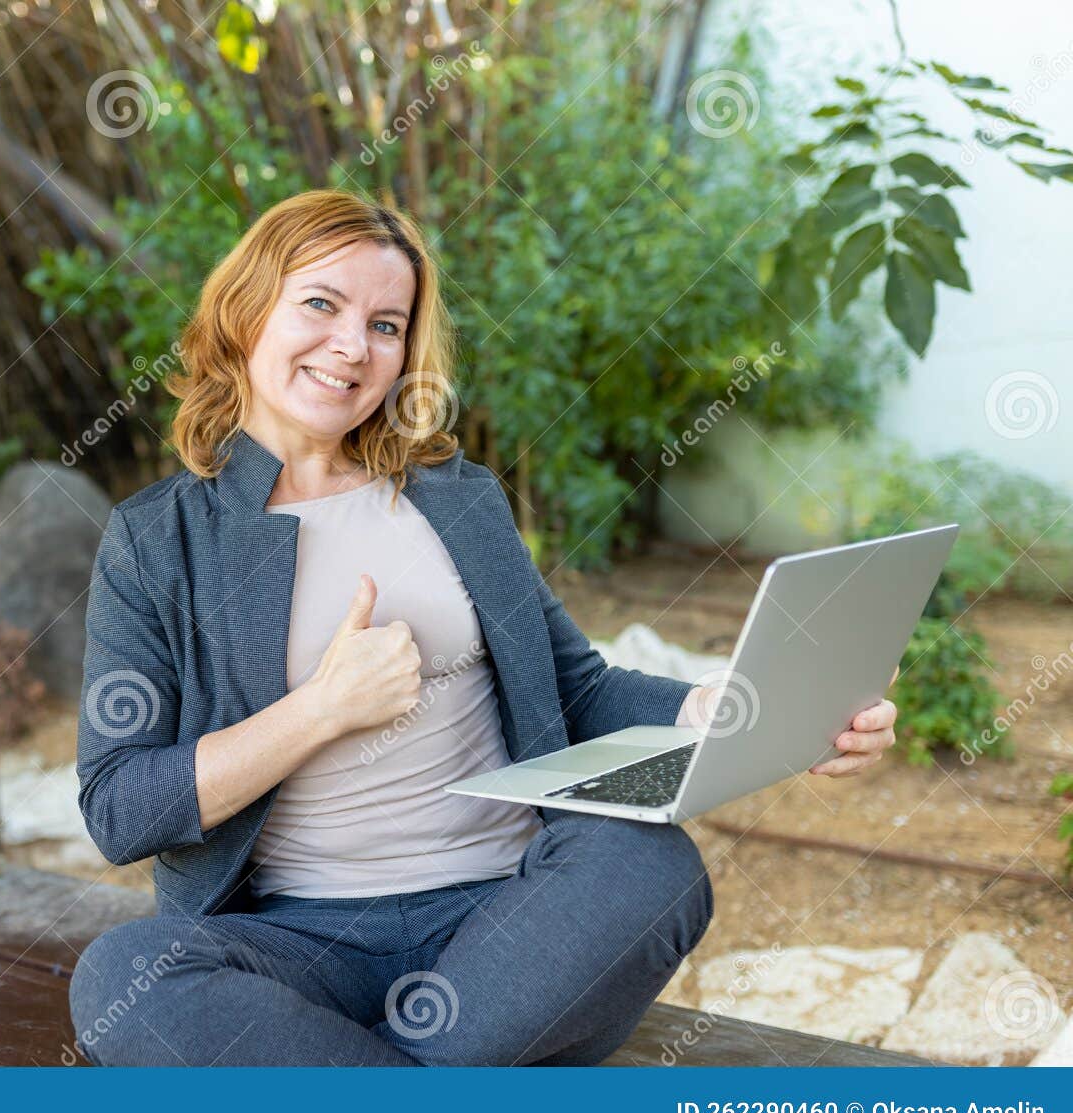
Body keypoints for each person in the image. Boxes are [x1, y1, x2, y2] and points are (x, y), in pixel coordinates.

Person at [67, 188, 897, 1066]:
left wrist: (717, 710)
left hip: (508, 924)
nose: (352, 347)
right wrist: (321, 709)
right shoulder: (158, 539)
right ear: (245, 312)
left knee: (649, 864)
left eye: (387, 325)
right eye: (320, 304)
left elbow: (575, 687)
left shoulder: (455, 499)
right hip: (301, 945)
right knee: (124, 977)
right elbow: (121, 808)